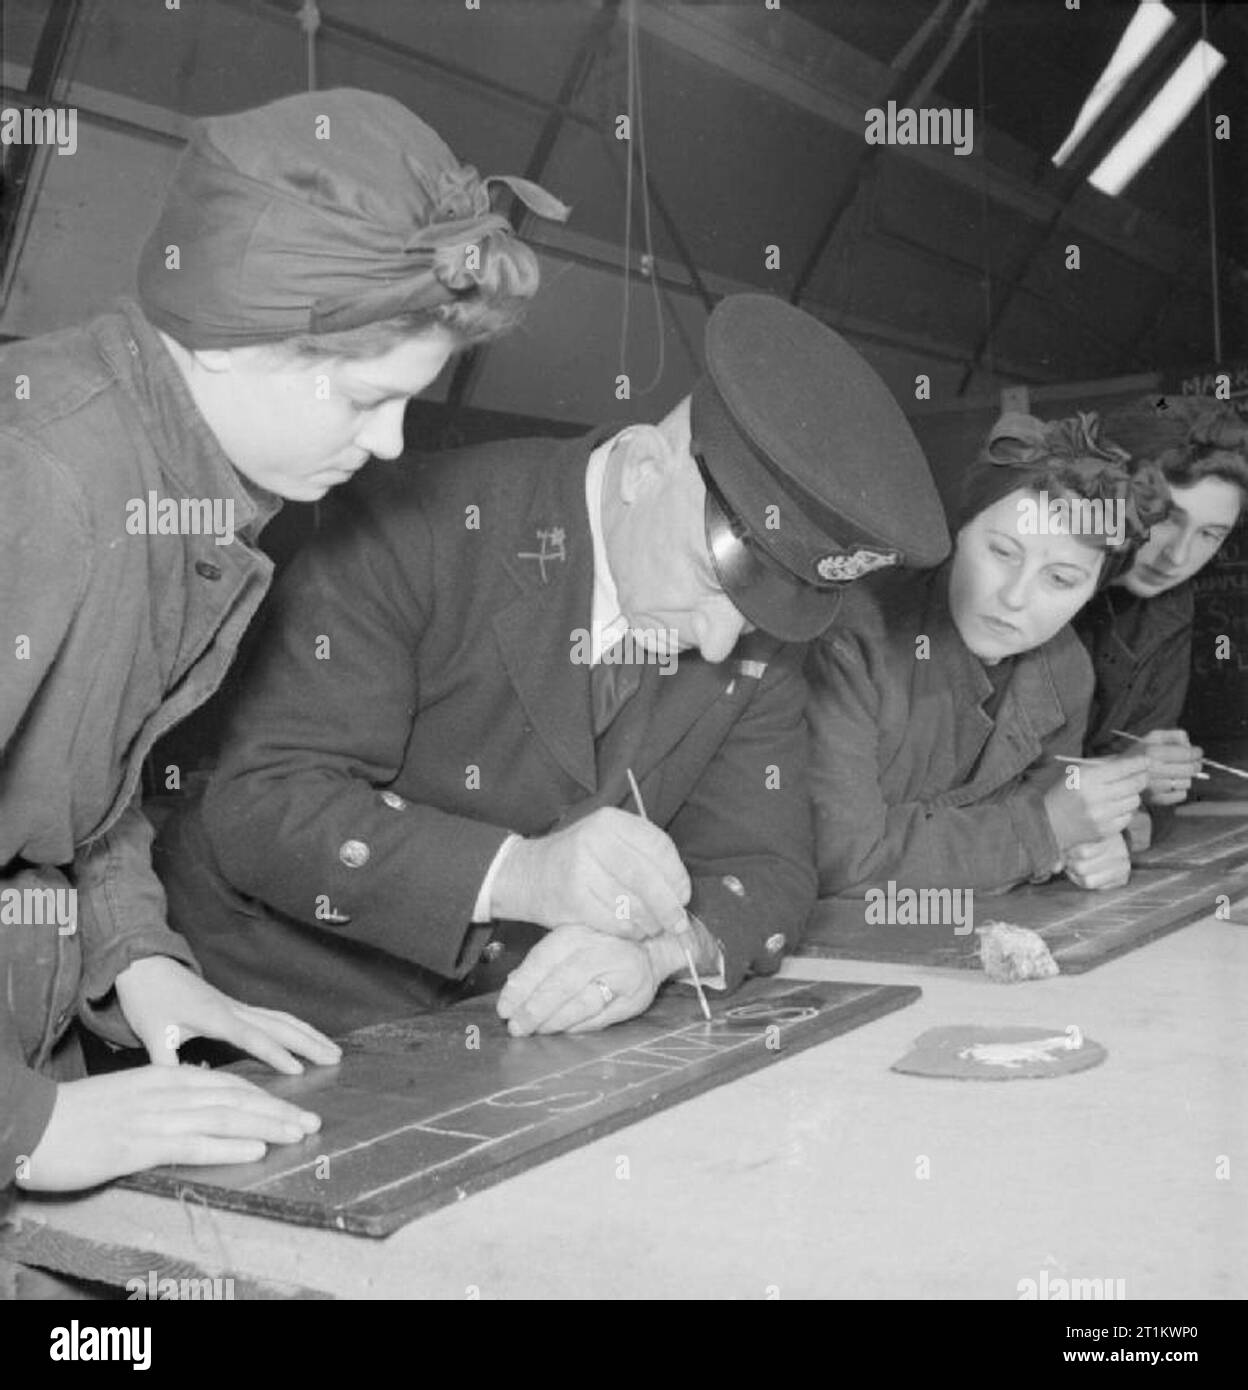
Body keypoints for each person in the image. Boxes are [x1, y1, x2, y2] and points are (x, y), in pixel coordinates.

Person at [1, 88, 562, 1197]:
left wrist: (140, 959)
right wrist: (29, 1126)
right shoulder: (47, 489)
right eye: (365, 397)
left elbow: (70, 802)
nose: (391, 443)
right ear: (233, 338)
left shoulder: (177, 482)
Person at [153, 294, 951, 1038]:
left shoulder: (750, 630)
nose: (717, 645)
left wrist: (655, 956)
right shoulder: (416, 527)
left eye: (751, 618)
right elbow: (264, 804)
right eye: (714, 583)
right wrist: (520, 875)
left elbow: (767, 866)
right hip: (274, 1017)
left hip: (498, 1030)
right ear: (644, 469)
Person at [807, 410, 1166, 908]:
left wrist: (1094, 844)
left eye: (1060, 579)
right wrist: (1045, 832)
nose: (1016, 597)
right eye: (1001, 552)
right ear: (960, 532)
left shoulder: (1065, 672)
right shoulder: (855, 638)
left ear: (1091, 594)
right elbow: (842, 857)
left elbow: (1052, 814)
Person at [1076, 397, 1248, 822]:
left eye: (1210, 534)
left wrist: (1151, 779)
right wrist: (1121, 775)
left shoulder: (1169, 605)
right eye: (1167, 518)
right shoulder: (1029, 593)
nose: (1178, 557)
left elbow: (1137, 764)